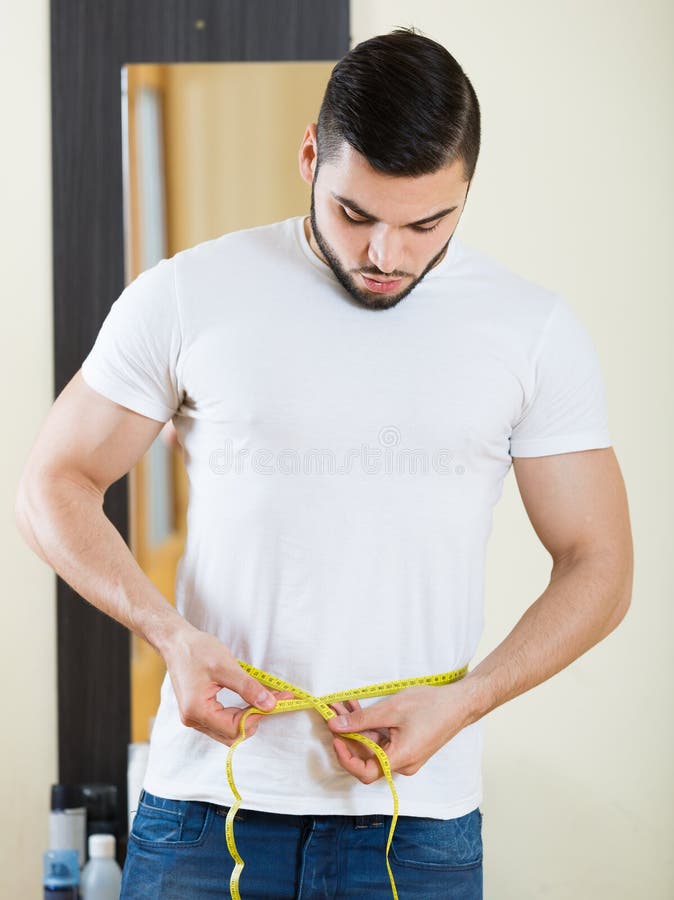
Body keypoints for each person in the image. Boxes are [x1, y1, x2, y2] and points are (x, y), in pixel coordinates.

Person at [16, 27, 633, 900]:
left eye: (427, 223)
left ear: (466, 188)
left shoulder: (532, 332)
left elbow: (599, 564)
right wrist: (170, 636)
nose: (387, 255)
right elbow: (53, 482)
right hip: (204, 812)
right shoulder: (191, 293)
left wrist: (467, 700)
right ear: (311, 156)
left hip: (415, 823)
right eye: (356, 214)